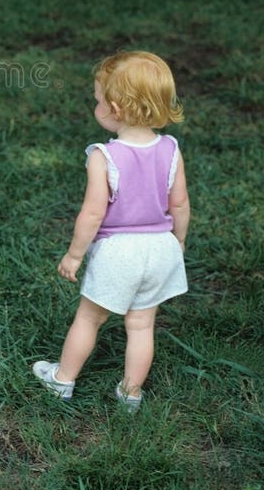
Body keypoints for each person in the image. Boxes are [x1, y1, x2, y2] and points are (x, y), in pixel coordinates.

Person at [33, 51, 190, 410]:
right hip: (160, 248)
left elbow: (92, 213)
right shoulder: (170, 149)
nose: (95, 104)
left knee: (89, 318)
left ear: (115, 109)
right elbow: (180, 204)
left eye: (97, 99)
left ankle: (62, 380)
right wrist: (178, 240)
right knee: (142, 325)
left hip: (119, 252)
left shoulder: (103, 156)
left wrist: (74, 255)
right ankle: (131, 394)